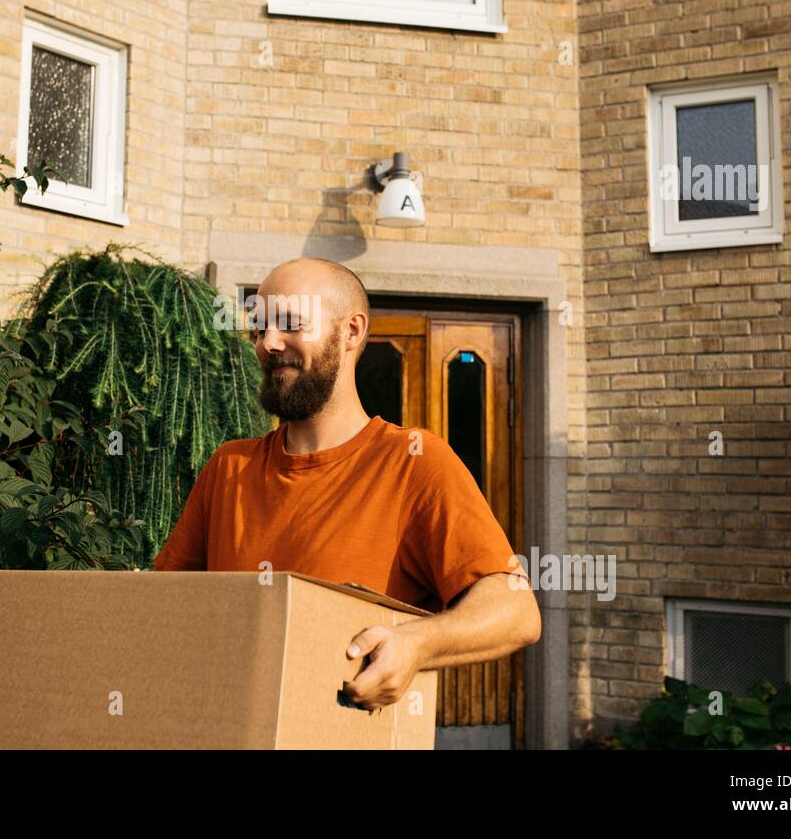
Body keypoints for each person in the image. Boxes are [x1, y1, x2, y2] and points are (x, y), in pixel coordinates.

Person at [153, 257, 541, 711]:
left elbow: (516, 612)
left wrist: (415, 643)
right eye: (259, 328)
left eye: (290, 323)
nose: (267, 343)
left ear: (351, 332)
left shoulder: (414, 463)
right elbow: (165, 608)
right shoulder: (228, 469)